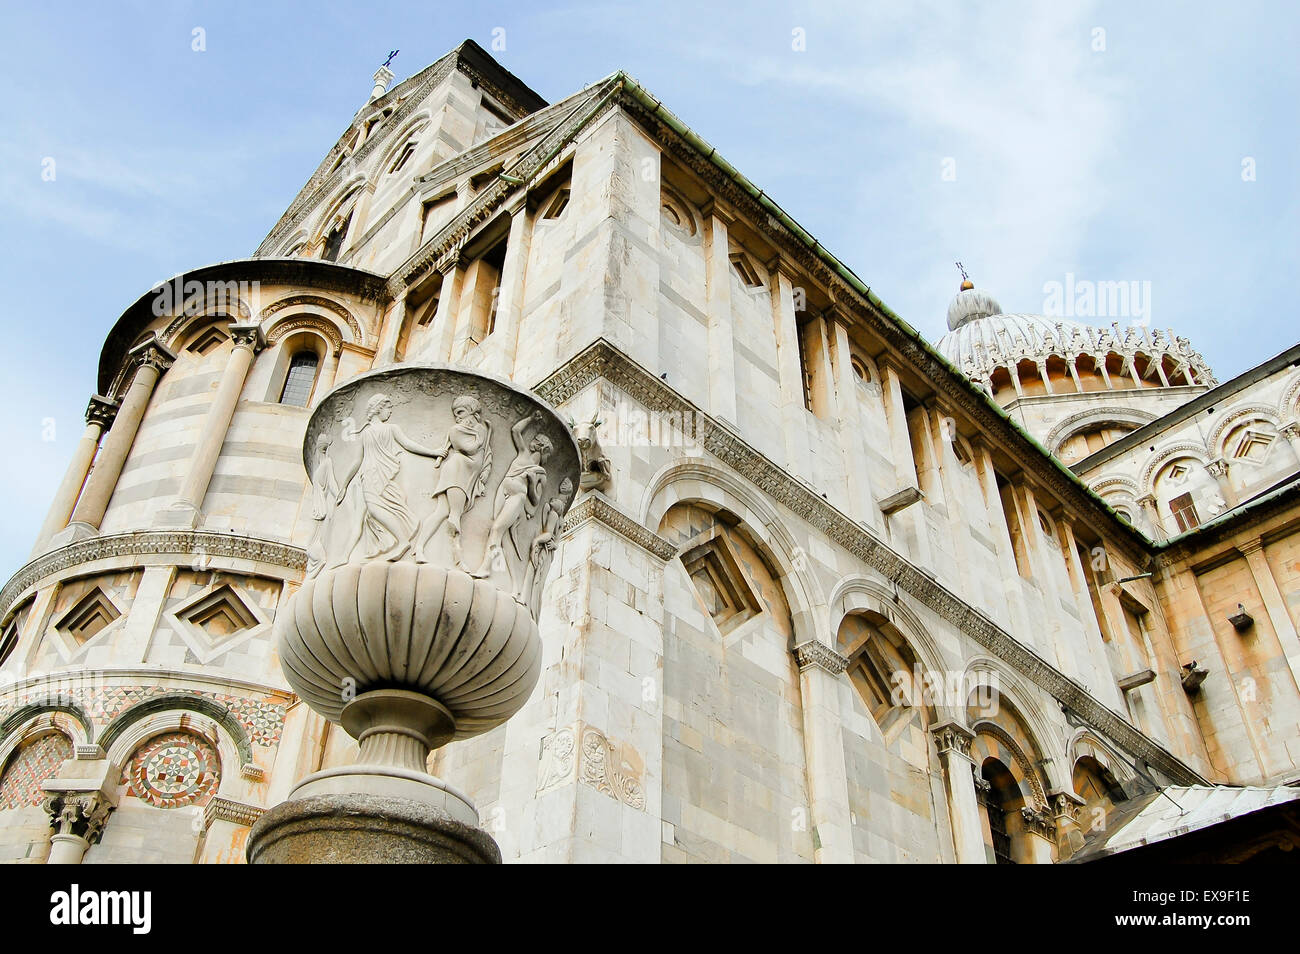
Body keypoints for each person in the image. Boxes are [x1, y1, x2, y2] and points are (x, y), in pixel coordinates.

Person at [335, 393, 438, 561]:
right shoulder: (365, 434)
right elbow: (357, 461)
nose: (390, 412)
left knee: (375, 509)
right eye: (388, 408)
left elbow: (408, 444)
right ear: (378, 409)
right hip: (369, 475)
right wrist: (344, 485)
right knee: (362, 516)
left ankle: (403, 541)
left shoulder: (391, 428)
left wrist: (433, 452)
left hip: (379, 474)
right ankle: (345, 556)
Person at [473, 410, 553, 589]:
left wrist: (532, 483)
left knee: (497, 529)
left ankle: (486, 568)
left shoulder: (541, 473)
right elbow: (515, 431)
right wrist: (531, 419)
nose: (531, 443)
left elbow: (534, 501)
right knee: (502, 535)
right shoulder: (523, 454)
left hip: (517, 497)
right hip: (503, 489)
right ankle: (513, 583)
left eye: (535, 442)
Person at [415, 395, 493, 566]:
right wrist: (480, 439)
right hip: (458, 472)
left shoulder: (480, 429)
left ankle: (420, 547)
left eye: (460, 412)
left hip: (468, 475)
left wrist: (486, 471)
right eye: (455, 414)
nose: (458, 417)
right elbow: (469, 449)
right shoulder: (456, 430)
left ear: (472, 411)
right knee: (454, 516)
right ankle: (456, 560)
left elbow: (486, 454)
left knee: (442, 512)